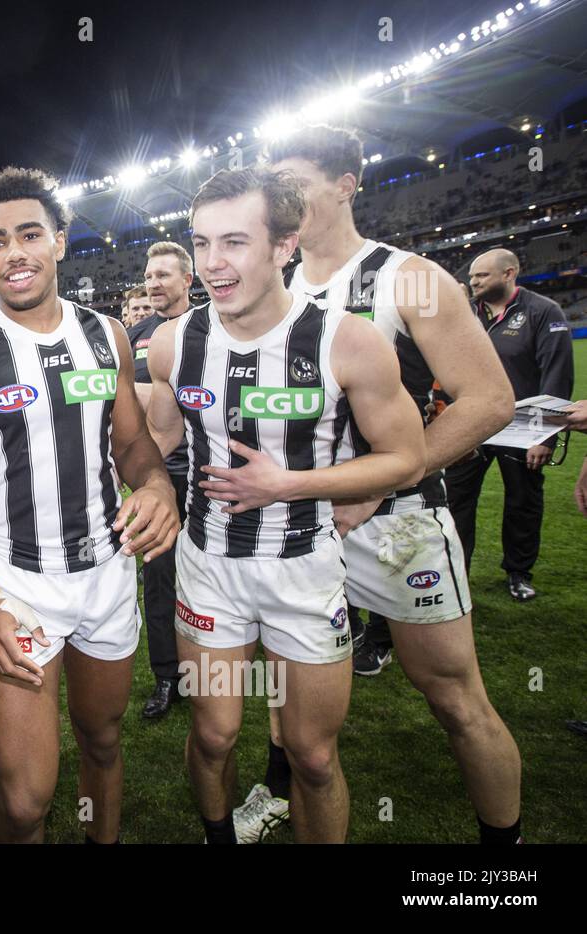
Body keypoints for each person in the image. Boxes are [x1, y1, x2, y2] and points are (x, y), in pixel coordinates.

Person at [257, 126, 524, 846]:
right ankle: (278, 790)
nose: (280, 200)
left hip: (400, 526)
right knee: (289, 692)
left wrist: (385, 480)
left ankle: (503, 854)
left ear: (346, 185)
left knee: (455, 698)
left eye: (295, 182)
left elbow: (488, 400)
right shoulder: (272, 290)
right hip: (301, 528)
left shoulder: (408, 278)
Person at [144, 166, 426, 843]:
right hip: (209, 568)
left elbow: (406, 457)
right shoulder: (173, 342)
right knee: (213, 737)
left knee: (314, 756)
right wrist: (149, 489)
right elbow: (155, 443)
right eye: (201, 242)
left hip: (305, 570)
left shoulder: (347, 340)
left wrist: (291, 485)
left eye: (235, 242)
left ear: (283, 246)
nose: (213, 263)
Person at [0, 166, 180, 844]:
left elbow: (132, 446)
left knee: (102, 742)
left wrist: (157, 486)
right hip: (18, 584)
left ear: (60, 243)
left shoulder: (107, 337)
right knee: (26, 797)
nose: (14, 254)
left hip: (106, 573)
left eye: (29, 235)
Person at [446, 247, 574, 601]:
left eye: (482, 276)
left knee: (523, 501)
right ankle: (457, 572)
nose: (474, 282)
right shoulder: (467, 315)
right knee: (455, 499)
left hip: (524, 427)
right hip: (472, 423)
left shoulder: (544, 312)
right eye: (472, 277)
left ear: (509, 273)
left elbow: (557, 375)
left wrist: (545, 435)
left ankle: (518, 573)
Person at [128, 242, 195, 720]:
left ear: (187, 280)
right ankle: (167, 676)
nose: (153, 283)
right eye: (149, 276)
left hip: (214, 473)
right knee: (159, 576)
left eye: (164, 275)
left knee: (212, 576)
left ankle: (209, 668)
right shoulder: (137, 336)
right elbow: (133, 410)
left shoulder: (210, 326)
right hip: (160, 472)